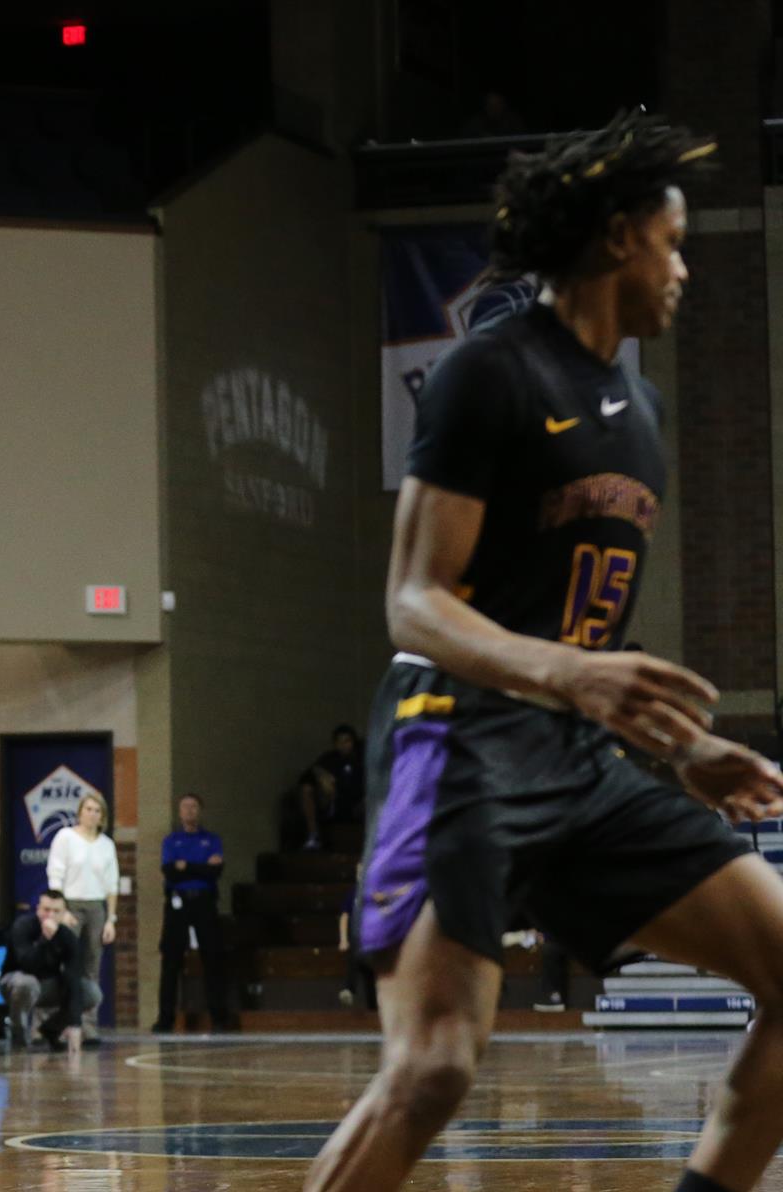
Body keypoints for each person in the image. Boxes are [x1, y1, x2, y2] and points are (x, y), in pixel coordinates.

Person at [307, 114, 783, 1192]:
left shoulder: (641, 408)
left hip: (572, 757)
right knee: (433, 1067)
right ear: (617, 238)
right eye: (672, 243)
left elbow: (583, 638)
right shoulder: (489, 371)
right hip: (454, 737)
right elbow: (414, 604)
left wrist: (682, 747)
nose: (683, 269)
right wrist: (569, 673)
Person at [154, 793, 233, 1033]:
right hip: (178, 903)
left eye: (194, 806)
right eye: (185, 807)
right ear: (179, 812)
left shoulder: (211, 840)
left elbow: (214, 872)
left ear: (200, 811)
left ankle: (218, 1017)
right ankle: (165, 1019)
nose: (189, 810)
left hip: (204, 902)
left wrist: (186, 866)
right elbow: (170, 871)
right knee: (171, 960)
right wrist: (201, 867)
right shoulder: (171, 841)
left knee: (212, 957)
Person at [46, 789, 119, 1039]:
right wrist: (61, 910)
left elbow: (111, 885)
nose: (92, 814)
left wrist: (110, 919)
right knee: (64, 964)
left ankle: (88, 1025)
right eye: (88, 809)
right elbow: (55, 875)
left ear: (103, 816)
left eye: (97, 811)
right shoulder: (65, 837)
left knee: (91, 967)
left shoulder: (106, 845)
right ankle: (56, 1024)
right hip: (70, 904)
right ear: (79, 812)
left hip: (96, 907)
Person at [1, 890, 98, 1054]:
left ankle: (51, 1029)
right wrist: (45, 940)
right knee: (27, 983)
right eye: (46, 910)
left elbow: (73, 977)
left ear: (64, 914)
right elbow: (27, 965)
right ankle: (18, 1033)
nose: (50, 915)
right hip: (15, 982)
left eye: (56, 911)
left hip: (47, 986)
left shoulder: (67, 937)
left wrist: (75, 1024)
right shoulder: (23, 926)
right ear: (38, 909)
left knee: (91, 993)